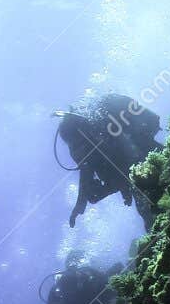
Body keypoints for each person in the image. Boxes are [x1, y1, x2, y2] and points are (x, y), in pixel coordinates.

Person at [56, 93, 161, 228]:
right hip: (133, 171)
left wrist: (116, 188)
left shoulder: (108, 130)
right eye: (74, 146)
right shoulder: (84, 146)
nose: (79, 151)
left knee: (149, 209)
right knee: (148, 214)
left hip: (145, 159)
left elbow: (129, 162)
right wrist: (82, 202)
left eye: (80, 144)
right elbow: (86, 169)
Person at [42, 251, 124, 304]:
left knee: (113, 278)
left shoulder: (88, 275)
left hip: (97, 295)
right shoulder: (58, 295)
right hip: (88, 301)